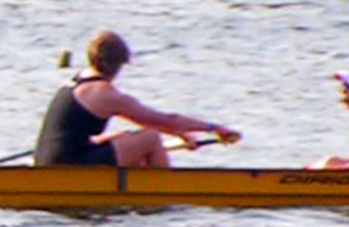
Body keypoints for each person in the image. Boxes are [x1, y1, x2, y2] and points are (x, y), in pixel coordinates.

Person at [33, 30, 238, 167]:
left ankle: (137, 191)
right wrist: (214, 128)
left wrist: (182, 135)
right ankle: (165, 199)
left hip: (48, 160)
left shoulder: (75, 82)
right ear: (119, 65)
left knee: (124, 136)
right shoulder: (106, 93)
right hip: (67, 165)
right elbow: (163, 120)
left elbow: (149, 121)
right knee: (150, 139)